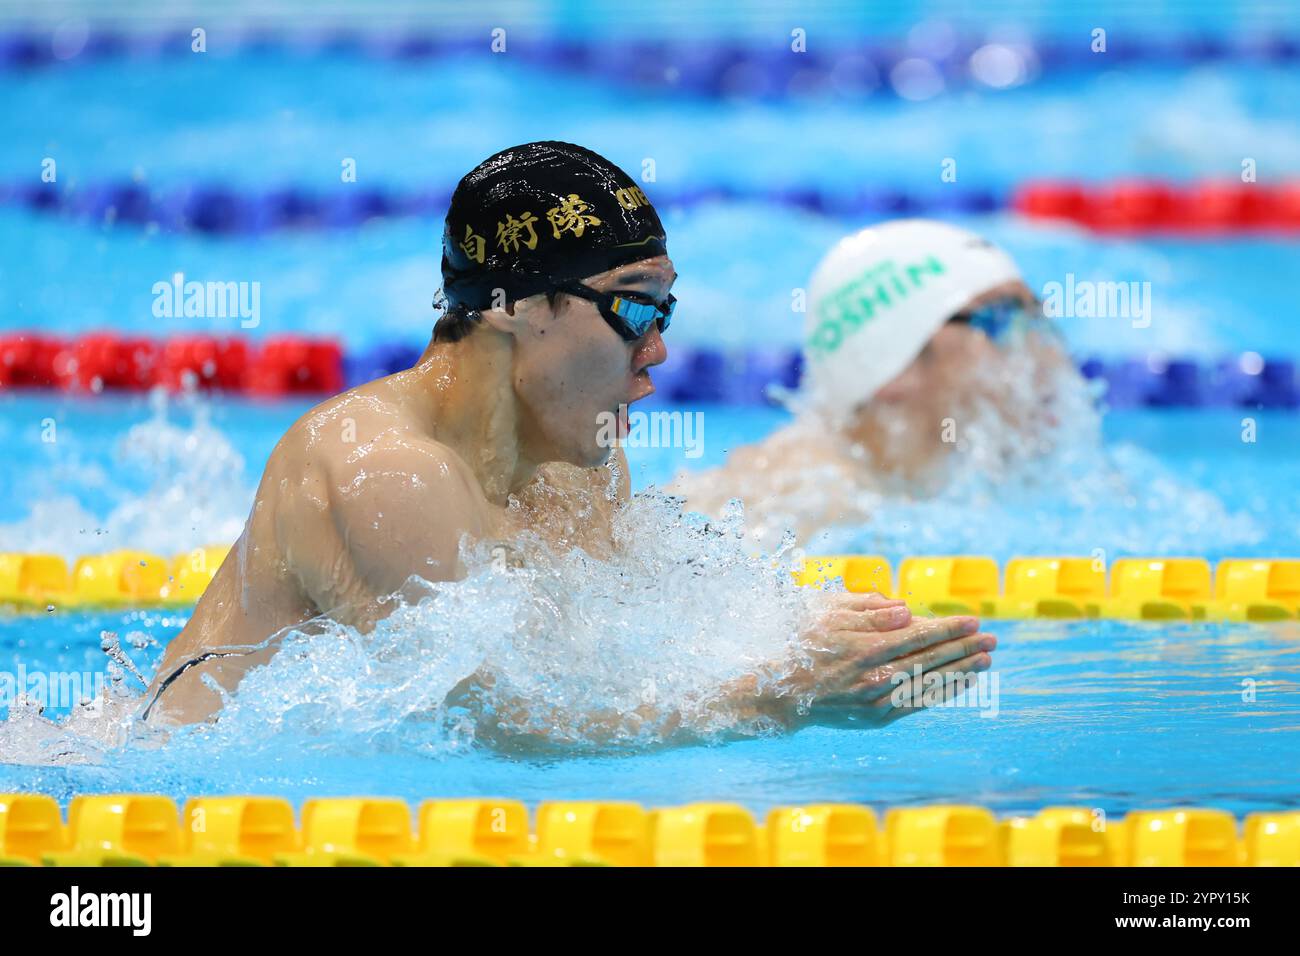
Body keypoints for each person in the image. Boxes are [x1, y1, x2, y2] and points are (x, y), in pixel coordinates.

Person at [144, 144, 994, 731]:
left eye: (664, 311)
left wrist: (795, 639)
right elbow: (494, 729)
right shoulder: (387, 471)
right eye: (633, 307)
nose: (657, 349)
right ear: (512, 306)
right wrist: (780, 697)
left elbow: (617, 648)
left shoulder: (573, 453)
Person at [671, 219, 1072, 547]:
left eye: (1037, 320)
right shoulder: (800, 501)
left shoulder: (955, 490)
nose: (1044, 355)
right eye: (999, 322)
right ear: (893, 363)